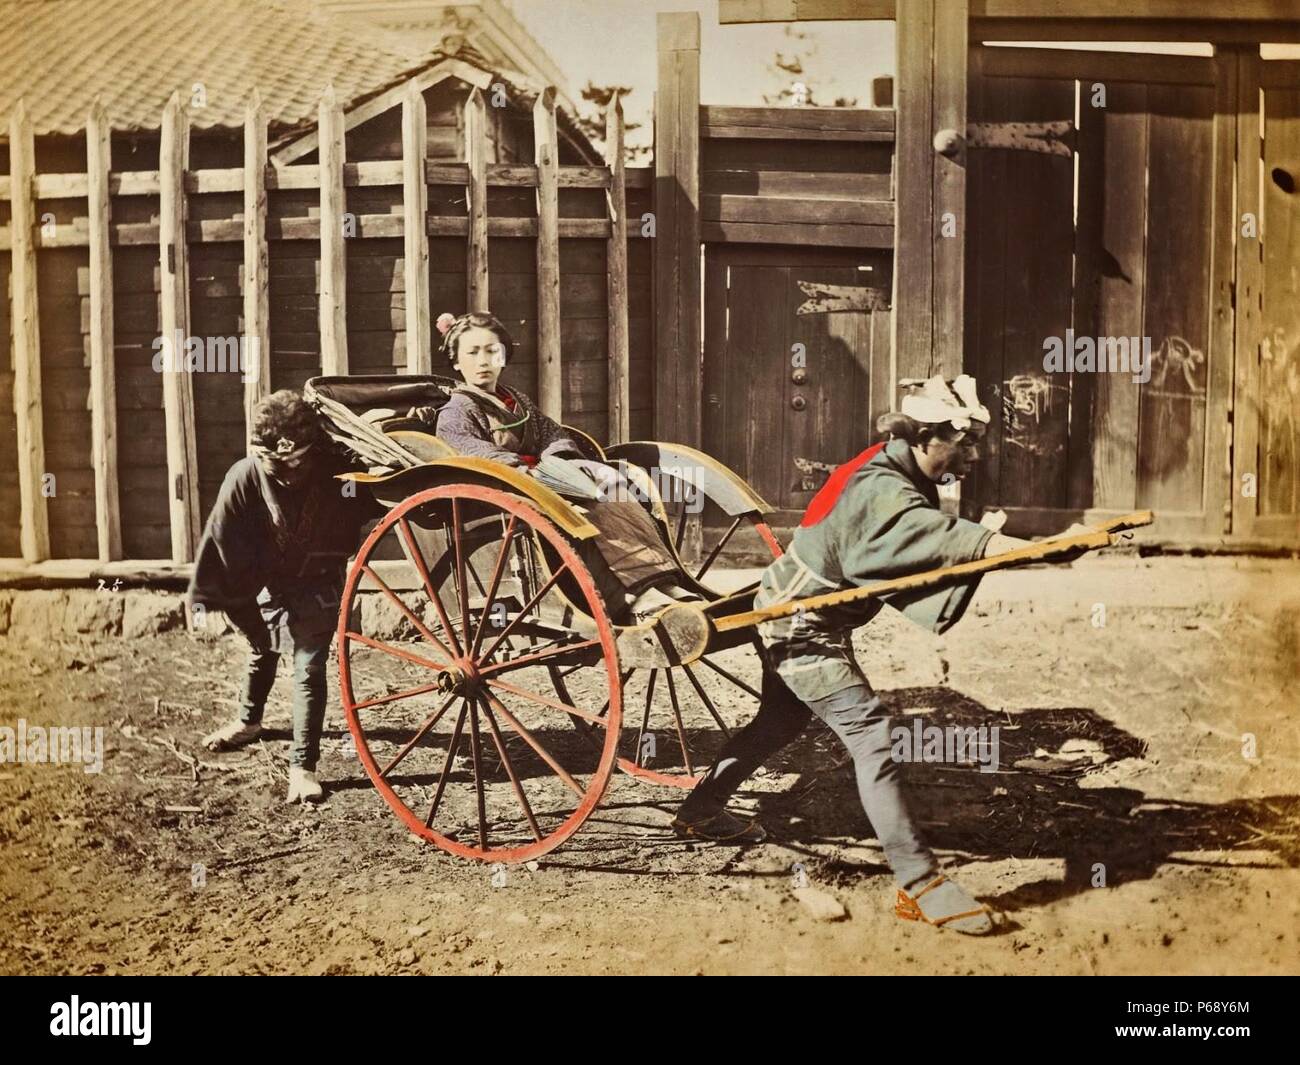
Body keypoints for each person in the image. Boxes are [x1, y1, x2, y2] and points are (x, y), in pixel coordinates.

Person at [671, 374, 1088, 935]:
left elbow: (917, 537)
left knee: (781, 719)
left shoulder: (893, 463)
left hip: (796, 608)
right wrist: (1038, 549)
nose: (972, 456)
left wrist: (1032, 549)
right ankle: (920, 885)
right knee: (872, 736)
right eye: (962, 444)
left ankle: (699, 812)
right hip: (798, 624)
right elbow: (931, 535)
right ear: (924, 437)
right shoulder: (884, 490)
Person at [430, 310, 700, 622]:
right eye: (472, 353)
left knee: (613, 488)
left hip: (546, 476)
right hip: (509, 488)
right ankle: (628, 594)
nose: (483, 361)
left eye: (492, 351)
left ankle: (660, 581)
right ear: (456, 362)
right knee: (581, 514)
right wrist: (528, 473)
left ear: (504, 357)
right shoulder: (456, 412)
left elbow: (551, 433)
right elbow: (475, 454)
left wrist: (559, 464)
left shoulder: (516, 400)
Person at [191, 390, 382, 803]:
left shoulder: (335, 470)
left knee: (308, 667)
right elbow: (218, 541)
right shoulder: (244, 476)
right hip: (260, 580)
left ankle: (302, 766)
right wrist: (207, 600)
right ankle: (249, 721)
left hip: (317, 578)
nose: (289, 471)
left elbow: (372, 503)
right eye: (277, 462)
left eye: (298, 461)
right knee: (261, 647)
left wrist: (365, 527)